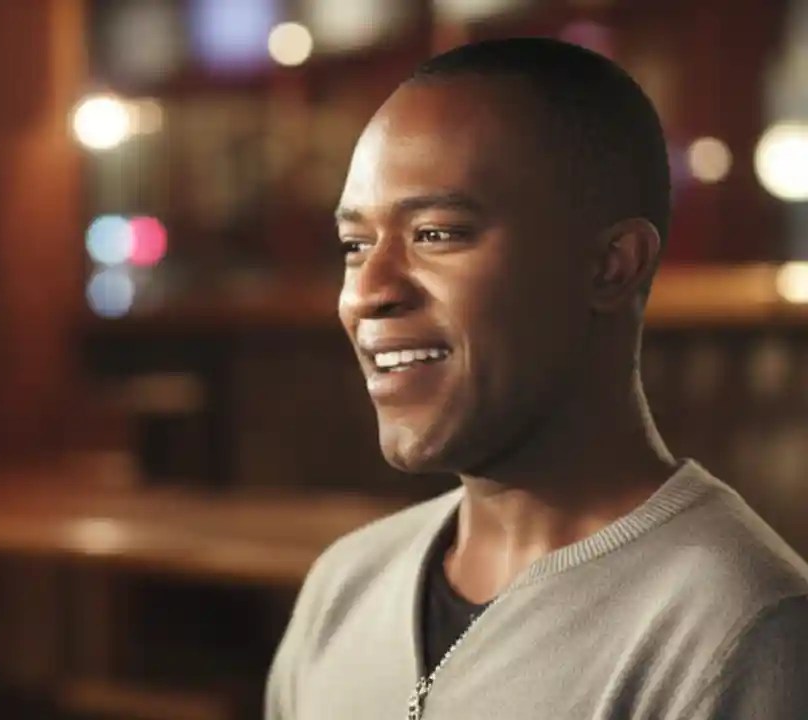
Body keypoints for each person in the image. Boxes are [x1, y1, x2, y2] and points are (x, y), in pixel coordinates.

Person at [266, 37, 808, 720]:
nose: (370, 290)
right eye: (354, 246)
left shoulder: (735, 632)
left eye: (436, 234)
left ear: (613, 265)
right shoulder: (344, 587)